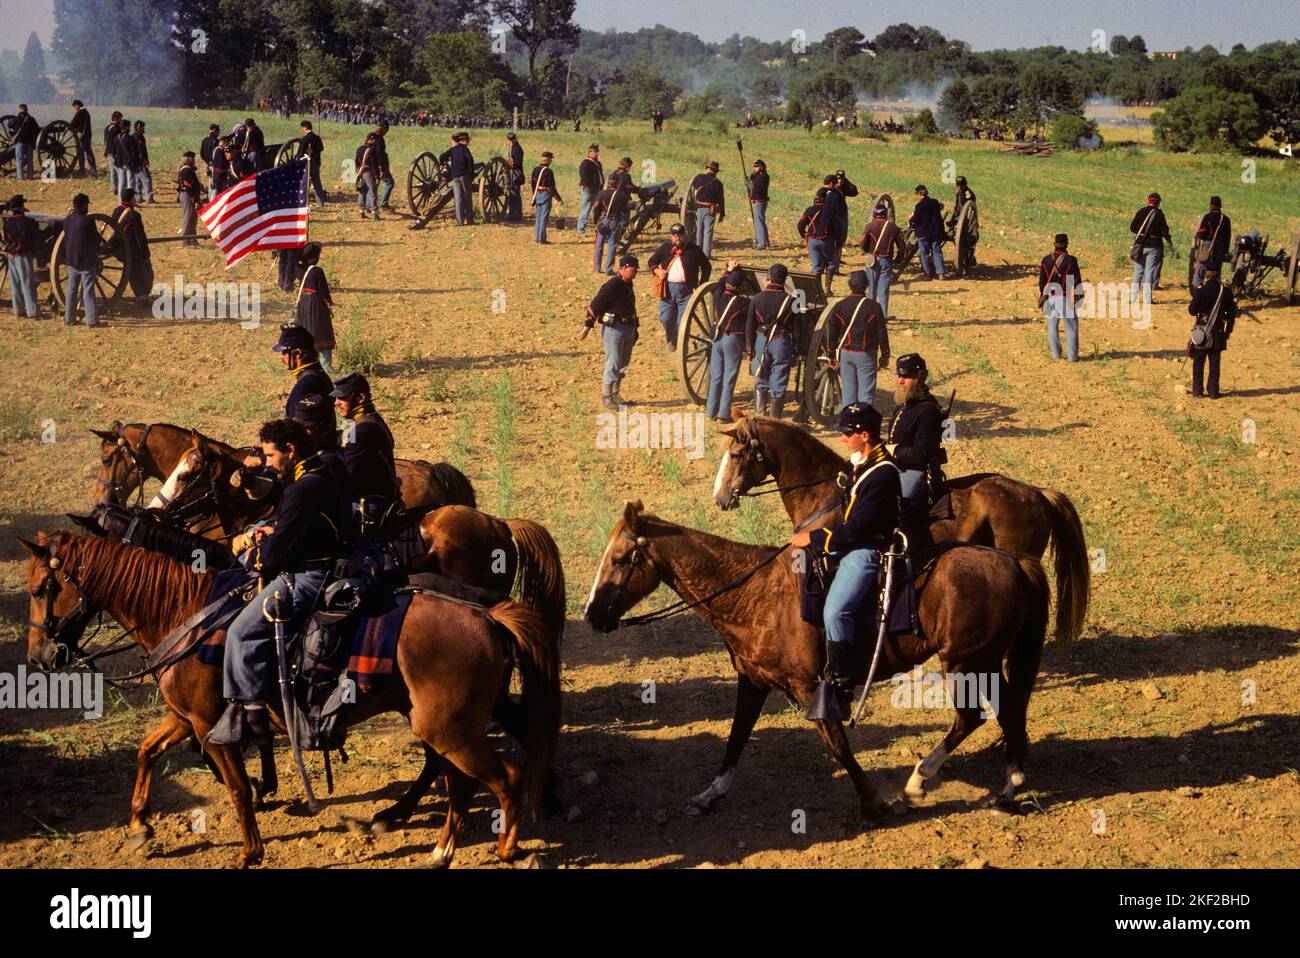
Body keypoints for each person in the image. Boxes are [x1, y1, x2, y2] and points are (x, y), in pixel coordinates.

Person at [206, 418, 349, 746]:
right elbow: (307, 526)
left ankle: (246, 712)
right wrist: (275, 531)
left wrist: (251, 548)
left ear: (291, 451)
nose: (267, 463)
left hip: (306, 577)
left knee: (240, 632)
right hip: (326, 562)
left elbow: (274, 558)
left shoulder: (301, 488)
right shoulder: (322, 470)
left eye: (271, 456)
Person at [789, 402, 900, 704]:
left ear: (864, 435)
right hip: (848, 544)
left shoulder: (883, 474)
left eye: (847, 433)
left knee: (835, 611)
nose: (842, 438)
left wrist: (814, 538)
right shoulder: (860, 465)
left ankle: (842, 683)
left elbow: (857, 530)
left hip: (866, 550)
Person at [887, 353, 944, 553]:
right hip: (897, 468)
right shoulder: (904, 405)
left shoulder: (928, 410)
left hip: (917, 474)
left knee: (895, 513)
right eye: (899, 375)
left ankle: (903, 555)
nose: (900, 380)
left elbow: (921, 454)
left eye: (906, 376)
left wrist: (891, 451)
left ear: (920, 378)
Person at [330, 373, 400, 527]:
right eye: (336, 398)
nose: (336, 403)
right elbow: (342, 449)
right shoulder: (354, 421)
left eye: (342, 398)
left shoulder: (364, 428)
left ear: (360, 398)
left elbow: (348, 469)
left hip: (368, 502)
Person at [581, 255, 640, 410]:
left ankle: (615, 394)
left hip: (628, 328)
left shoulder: (628, 284)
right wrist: (588, 325)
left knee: (622, 363)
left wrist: (635, 328)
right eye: (633, 270)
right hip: (615, 329)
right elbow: (597, 303)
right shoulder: (613, 284)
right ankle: (607, 398)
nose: (636, 273)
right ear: (623, 268)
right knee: (613, 363)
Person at [827, 270, 889, 408]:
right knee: (866, 395)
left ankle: (848, 425)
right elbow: (882, 333)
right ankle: (864, 424)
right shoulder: (874, 307)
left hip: (846, 353)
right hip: (865, 354)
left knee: (848, 394)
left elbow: (832, 331)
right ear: (866, 285)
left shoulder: (840, 305)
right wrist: (885, 355)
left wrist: (831, 353)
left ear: (850, 285)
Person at [745, 263, 797, 419]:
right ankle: (774, 419)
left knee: (761, 377)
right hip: (781, 341)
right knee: (779, 380)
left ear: (768, 278)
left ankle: (759, 416)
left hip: (760, 340)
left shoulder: (756, 298)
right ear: (784, 280)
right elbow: (795, 326)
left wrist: (750, 347)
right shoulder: (790, 301)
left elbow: (750, 325)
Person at [648, 222, 711, 350]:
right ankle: (671, 340)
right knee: (666, 319)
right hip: (668, 291)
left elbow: (706, 267)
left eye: (679, 235)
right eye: (674, 235)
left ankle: (683, 350)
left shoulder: (694, 250)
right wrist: (658, 271)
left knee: (683, 322)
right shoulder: (665, 248)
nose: (677, 238)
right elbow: (652, 261)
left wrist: (701, 284)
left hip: (687, 291)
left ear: (684, 236)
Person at [706, 265, 749, 422]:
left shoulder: (718, 296)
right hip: (733, 340)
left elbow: (719, 284)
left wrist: (728, 271)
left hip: (717, 340)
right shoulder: (743, 302)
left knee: (716, 375)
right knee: (729, 377)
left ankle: (711, 411)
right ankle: (724, 414)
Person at [1186, 266, 1237, 399]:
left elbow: (1192, 311)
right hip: (1218, 331)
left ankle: (1197, 391)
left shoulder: (1201, 291)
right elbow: (1232, 313)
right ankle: (1213, 392)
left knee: (1198, 362)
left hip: (1202, 331)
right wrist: (1228, 332)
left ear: (1206, 275)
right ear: (1218, 274)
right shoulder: (1225, 291)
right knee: (1214, 363)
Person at [1039, 233, 1084, 362]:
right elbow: (1075, 280)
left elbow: (1042, 281)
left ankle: (1056, 355)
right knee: (1071, 326)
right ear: (1066, 245)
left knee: (1052, 325)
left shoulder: (1046, 260)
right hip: (1065, 297)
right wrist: (1078, 298)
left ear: (1055, 245)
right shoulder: (1071, 260)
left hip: (1051, 296)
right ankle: (1072, 357)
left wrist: (1044, 297)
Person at [274, 323, 334, 420]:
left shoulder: (308, 382)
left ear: (297, 354)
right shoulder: (316, 373)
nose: (281, 357)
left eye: (284, 352)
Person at [858, 203, 906, 319]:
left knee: (871, 289)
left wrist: (868, 252)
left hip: (872, 260)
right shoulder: (893, 227)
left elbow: (863, 244)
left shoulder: (869, 226)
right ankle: (883, 316)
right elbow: (902, 246)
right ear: (885, 214)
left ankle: (870, 316)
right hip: (887, 260)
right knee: (883, 290)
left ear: (875, 214)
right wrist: (897, 260)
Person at [295, 243, 336, 373]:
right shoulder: (317, 271)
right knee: (321, 334)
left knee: (307, 334)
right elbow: (323, 291)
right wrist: (328, 303)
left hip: (304, 303)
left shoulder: (299, 269)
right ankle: (326, 367)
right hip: (315, 304)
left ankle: (308, 366)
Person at [61, 193, 100, 327]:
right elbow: (96, 240)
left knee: (71, 290)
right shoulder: (87, 221)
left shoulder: (67, 220)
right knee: (88, 292)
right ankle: (92, 321)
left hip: (71, 261)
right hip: (86, 262)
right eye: (87, 204)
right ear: (84, 205)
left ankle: (69, 318)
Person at [1128, 192, 1172, 306]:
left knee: (1138, 271)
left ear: (1148, 201)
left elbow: (1132, 227)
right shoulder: (1159, 214)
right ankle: (1147, 300)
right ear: (1158, 203)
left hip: (1141, 245)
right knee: (1149, 272)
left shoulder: (1141, 211)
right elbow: (1165, 231)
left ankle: (1133, 298)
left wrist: (1143, 233)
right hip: (1154, 246)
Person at [111, 189, 154, 304]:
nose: (135, 200)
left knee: (133, 274)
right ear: (130, 200)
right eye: (134, 198)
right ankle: (143, 296)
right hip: (133, 250)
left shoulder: (116, 211)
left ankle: (141, 295)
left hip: (119, 249)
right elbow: (139, 236)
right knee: (147, 273)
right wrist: (145, 253)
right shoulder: (134, 215)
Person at [3, 195, 41, 319]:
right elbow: (37, 236)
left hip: (11, 254)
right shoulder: (27, 222)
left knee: (15, 283)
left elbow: (6, 239)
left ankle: (18, 309)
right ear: (21, 207)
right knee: (27, 283)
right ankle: (32, 311)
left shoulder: (7, 221)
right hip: (23, 254)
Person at [591, 174, 630, 275]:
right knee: (612, 245)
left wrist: (595, 221)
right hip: (615, 221)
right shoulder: (622, 195)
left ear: (608, 182)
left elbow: (596, 208)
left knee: (599, 244)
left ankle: (596, 267)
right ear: (618, 183)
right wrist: (624, 223)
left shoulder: (601, 194)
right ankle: (608, 269)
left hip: (603, 221)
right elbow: (626, 211)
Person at [1192, 196, 1232, 288]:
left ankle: (1198, 283)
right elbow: (1227, 237)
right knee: (1217, 265)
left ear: (1211, 206)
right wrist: (1225, 250)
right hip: (1220, 245)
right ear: (1220, 206)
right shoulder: (1225, 219)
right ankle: (1216, 284)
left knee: (1202, 262)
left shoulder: (1207, 217)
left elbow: (1201, 233)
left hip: (1207, 243)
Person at [689, 161, 725, 257]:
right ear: (716, 172)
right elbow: (721, 200)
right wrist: (722, 214)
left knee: (699, 230)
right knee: (708, 232)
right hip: (710, 209)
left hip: (699, 208)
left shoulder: (700, 177)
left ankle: (697, 253)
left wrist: (693, 179)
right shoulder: (718, 183)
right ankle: (706, 255)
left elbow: (692, 184)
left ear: (708, 169)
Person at [909, 185, 945, 279]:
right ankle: (940, 273)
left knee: (924, 253)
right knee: (937, 251)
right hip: (936, 232)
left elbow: (915, 221)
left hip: (923, 233)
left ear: (920, 193)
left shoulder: (919, 206)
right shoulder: (935, 202)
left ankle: (928, 273)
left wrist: (910, 220)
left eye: (918, 194)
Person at [440, 132, 475, 226]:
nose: (468, 142)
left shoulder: (453, 149)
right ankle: (470, 220)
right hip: (464, 176)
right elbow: (470, 162)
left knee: (458, 199)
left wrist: (441, 164)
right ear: (463, 140)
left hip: (455, 177)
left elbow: (442, 156)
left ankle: (460, 222)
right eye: (467, 140)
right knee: (467, 198)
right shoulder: (465, 149)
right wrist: (471, 175)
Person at [530, 151, 562, 243]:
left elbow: (533, 185)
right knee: (544, 218)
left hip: (537, 194)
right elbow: (552, 187)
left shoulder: (535, 170)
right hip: (546, 195)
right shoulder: (548, 172)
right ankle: (542, 239)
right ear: (547, 160)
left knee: (538, 218)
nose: (551, 161)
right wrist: (558, 199)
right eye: (550, 159)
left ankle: (537, 238)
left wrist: (534, 196)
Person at [947, 176, 977, 266]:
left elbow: (969, 207)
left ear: (964, 185)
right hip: (958, 216)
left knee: (964, 245)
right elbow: (957, 206)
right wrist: (953, 218)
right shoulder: (958, 193)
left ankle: (970, 260)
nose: (959, 187)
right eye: (958, 185)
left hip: (965, 219)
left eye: (961, 185)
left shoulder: (969, 194)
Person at [175, 151, 202, 248]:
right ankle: (184, 241)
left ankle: (192, 239)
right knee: (188, 217)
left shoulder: (188, 169)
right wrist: (195, 199)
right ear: (189, 159)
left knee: (193, 218)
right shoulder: (186, 170)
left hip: (189, 195)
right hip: (188, 195)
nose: (194, 161)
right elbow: (188, 186)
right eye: (193, 158)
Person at [297, 120, 327, 206]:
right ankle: (320, 201)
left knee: (304, 183)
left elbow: (300, 153)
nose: (303, 129)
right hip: (316, 162)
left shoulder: (305, 139)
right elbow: (321, 148)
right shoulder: (317, 138)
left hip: (307, 163)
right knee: (317, 182)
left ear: (305, 128)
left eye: (303, 128)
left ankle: (303, 201)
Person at [576, 144, 603, 237]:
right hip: (589, 190)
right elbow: (584, 177)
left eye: (597, 152)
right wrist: (591, 186)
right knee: (586, 209)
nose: (597, 154)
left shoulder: (598, 163)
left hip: (597, 189)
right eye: (595, 152)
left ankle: (599, 228)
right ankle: (580, 229)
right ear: (589, 152)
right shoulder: (585, 163)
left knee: (599, 209)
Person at [355, 133, 381, 220]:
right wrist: (377, 175)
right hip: (369, 172)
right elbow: (374, 163)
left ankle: (361, 212)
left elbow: (356, 162)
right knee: (373, 193)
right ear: (371, 139)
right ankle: (374, 213)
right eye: (374, 140)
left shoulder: (359, 149)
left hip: (361, 172)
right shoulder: (371, 150)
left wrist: (358, 172)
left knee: (362, 192)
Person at [130, 120, 155, 203]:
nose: (144, 128)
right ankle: (149, 198)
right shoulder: (138, 137)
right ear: (138, 127)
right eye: (142, 127)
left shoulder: (135, 136)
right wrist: (144, 161)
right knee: (147, 180)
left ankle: (138, 198)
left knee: (138, 180)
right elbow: (141, 151)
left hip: (136, 162)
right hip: (140, 162)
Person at [372, 122, 395, 211]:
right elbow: (379, 154)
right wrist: (381, 167)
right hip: (379, 164)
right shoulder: (379, 139)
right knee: (389, 182)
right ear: (384, 129)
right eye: (387, 130)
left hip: (370, 163)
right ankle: (383, 203)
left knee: (372, 185)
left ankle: (368, 205)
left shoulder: (371, 135)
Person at [70, 100, 96, 176]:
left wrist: (69, 127)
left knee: (82, 152)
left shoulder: (80, 113)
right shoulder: (86, 112)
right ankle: (92, 168)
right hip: (87, 135)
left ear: (77, 105)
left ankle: (83, 169)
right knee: (88, 152)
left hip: (82, 136)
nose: (75, 108)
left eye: (75, 106)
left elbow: (73, 123)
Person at [748, 159, 770, 249]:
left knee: (759, 222)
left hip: (759, 202)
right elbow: (752, 188)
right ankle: (764, 242)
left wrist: (750, 183)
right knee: (759, 222)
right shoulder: (758, 176)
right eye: (754, 166)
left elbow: (758, 189)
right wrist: (749, 181)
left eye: (756, 166)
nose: (755, 168)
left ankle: (762, 243)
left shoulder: (764, 177)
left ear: (761, 167)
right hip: (756, 201)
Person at [12, 106, 38, 180]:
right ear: (27, 110)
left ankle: (20, 177)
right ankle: (30, 176)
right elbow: (37, 129)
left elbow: (9, 124)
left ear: (20, 109)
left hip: (20, 142)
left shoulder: (17, 119)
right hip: (29, 142)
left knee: (19, 159)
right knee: (29, 159)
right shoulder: (31, 119)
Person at [505, 132, 524, 223]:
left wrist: (508, 165)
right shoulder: (513, 147)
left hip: (516, 174)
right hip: (512, 173)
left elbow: (516, 163)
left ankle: (515, 215)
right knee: (514, 194)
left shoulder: (516, 149)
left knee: (514, 194)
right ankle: (515, 214)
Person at [105, 111, 125, 196]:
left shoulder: (107, 127)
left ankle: (114, 188)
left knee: (112, 171)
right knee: (119, 171)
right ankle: (121, 188)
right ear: (116, 118)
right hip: (114, 152)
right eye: (120, 118)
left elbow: (106, 141)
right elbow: (116, 142)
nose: (121, 120)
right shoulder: (116, 128)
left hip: (108, 152)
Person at [200, 123, 221, 200]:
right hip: (215, 166)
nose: (219, 133)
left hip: (208, 164)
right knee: (215, 186)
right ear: (215, 131)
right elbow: (216, 154)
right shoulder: (216, 141)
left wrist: (208, 162)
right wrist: (212, 162)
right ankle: (213, 202)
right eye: (218, 131)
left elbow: (202, 154)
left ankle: (210, 200)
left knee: (210, 184)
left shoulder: (204, 140)